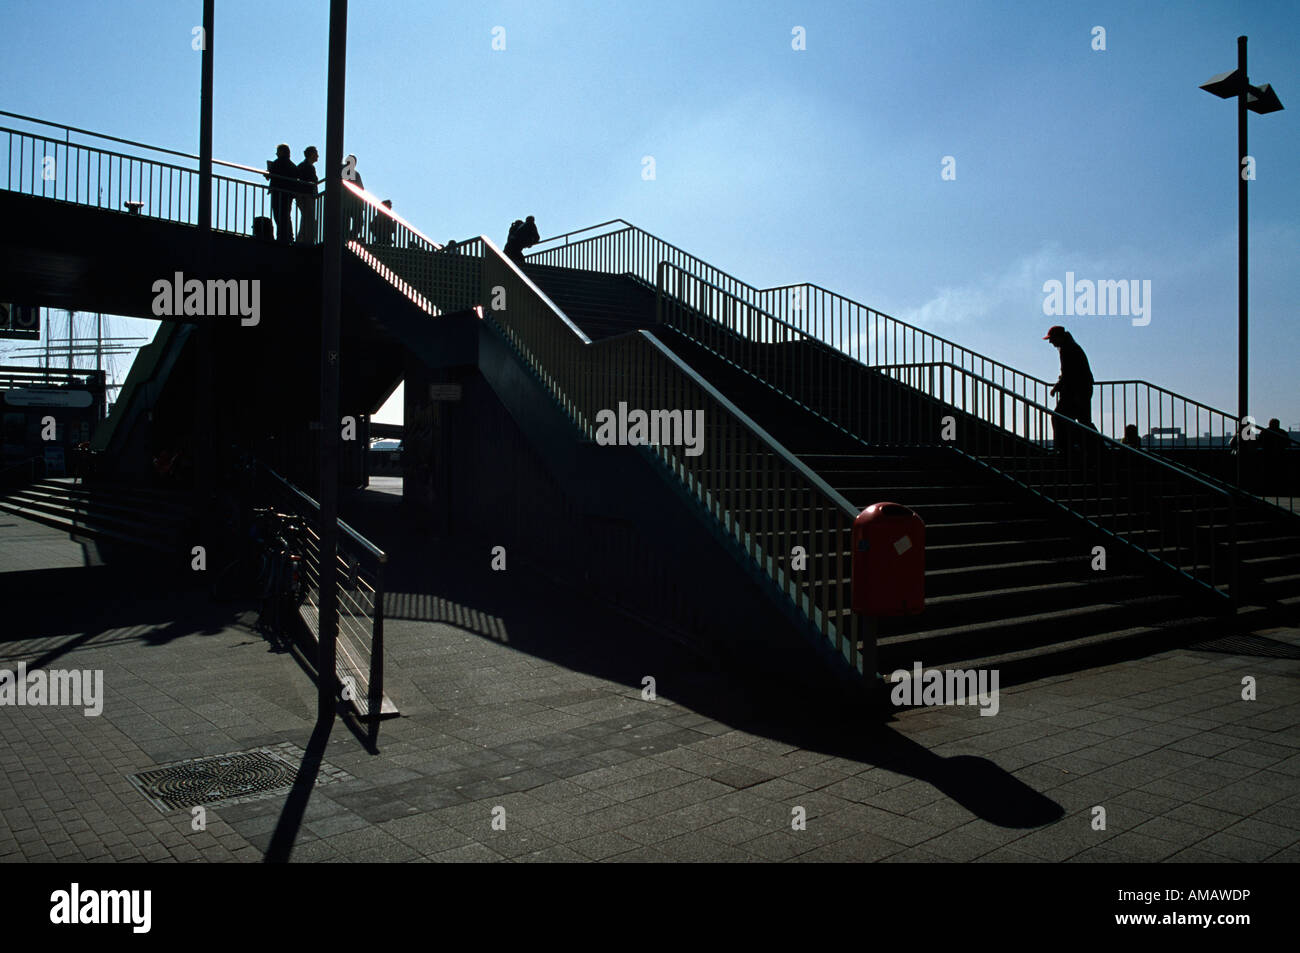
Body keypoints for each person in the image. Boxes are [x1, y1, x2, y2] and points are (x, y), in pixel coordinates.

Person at [1044, 325, 1095, 455]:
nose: (1051, 342)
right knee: (1083, 422)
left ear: (1059, 337)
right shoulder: (1070, 347)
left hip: (1075, 391)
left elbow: (1069, 373)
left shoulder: (1067, 349)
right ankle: (1095, 450)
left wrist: (1057, 386)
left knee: (1059, 418)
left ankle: (1065, 449)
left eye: (1052, 339)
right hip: (1080, 390)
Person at [264, 143, 297, 243]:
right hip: (288, 194)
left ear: (281, 152)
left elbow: (270, 175)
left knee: (278, 215)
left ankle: (282, 237)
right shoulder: (292, 166)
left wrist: (268, 173)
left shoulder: (277, 163)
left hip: (278, 192)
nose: (276, 154)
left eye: (277, 152)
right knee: (286, 215)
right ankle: (288, 236)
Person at [295, 146, 320, 244]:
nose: (318, 156)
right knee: (308, 218)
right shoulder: (308, 166)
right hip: (306, 195)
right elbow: (312, 181)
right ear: (312, 154)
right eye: (316, 153)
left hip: (304, 195)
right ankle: (304, 239)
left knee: (306, 218)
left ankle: (302, 238)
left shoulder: (303, 165)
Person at [342, 153, 364, 238]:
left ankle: (349, 236)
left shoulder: (355, 174)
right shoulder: (350, 173)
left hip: (352, 203)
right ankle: (349, 236)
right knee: (348, 222)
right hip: (349, 203)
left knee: (351, 222)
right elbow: (360, 188)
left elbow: (360, 189)